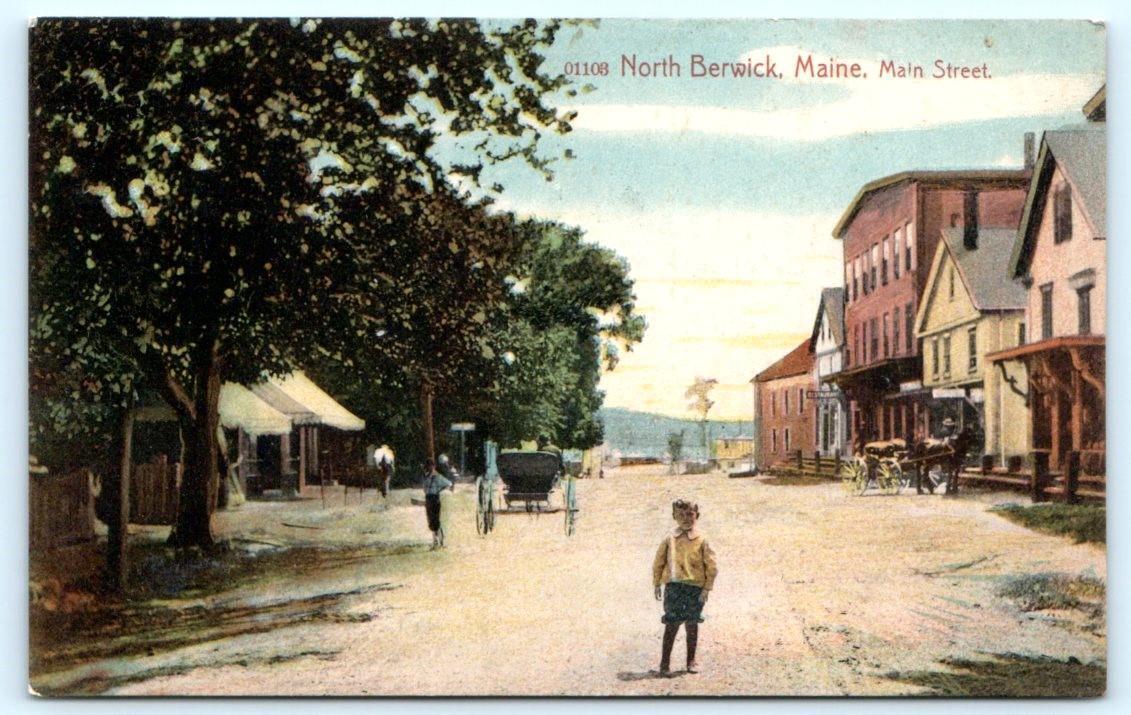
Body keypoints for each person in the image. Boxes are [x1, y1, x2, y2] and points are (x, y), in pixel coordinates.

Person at [652, 499, 718, 676]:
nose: (685, 519)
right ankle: (664, 664)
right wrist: (657, 583)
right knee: (671, 624)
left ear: (697, 516)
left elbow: (712, 566)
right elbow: (659, 562)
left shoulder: (702, 540)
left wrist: (706, 588)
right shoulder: (669, 539)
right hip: (673, 588)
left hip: (695, 589)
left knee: (692, 623)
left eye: (690, 514)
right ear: (674, 516)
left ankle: (691, 661)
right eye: (680, 515)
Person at [421, 458, 454, 549]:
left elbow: (449, 484)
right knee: (430, 521)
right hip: (428, 498)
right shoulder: (426, 477)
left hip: (435, 498)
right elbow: (424, 488)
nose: (429, 468)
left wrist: (441, 491)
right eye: (428, 466)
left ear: (434, 466)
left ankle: (441, 541)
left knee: (437, 521)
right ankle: (435, 541)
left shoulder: (438, 476)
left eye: (431, 466)